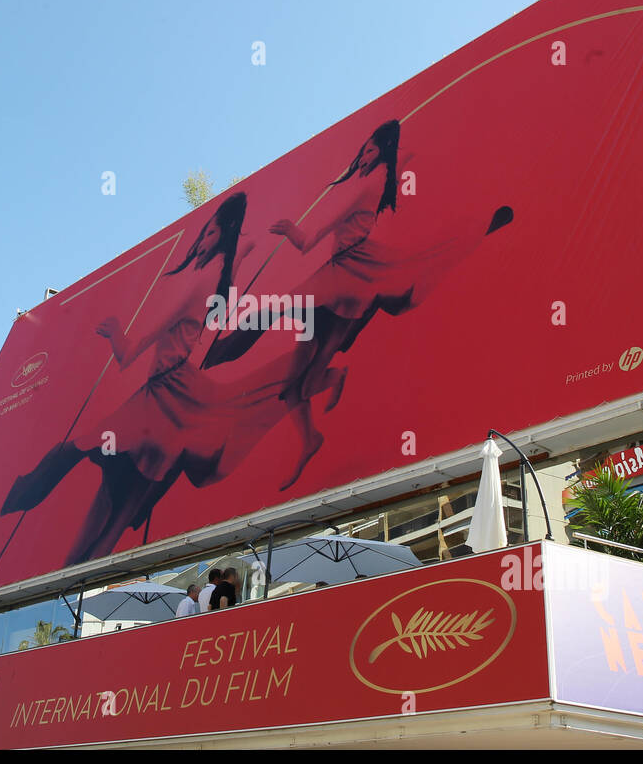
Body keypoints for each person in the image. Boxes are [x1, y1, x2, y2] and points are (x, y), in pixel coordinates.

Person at [205, 119, 514, 492]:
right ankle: (313, 429)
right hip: (352, 286)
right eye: (363, 151)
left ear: (379, 153)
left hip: (341, 277)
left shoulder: (365, 187)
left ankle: (224, 349)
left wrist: (289, 231)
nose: (362, 157)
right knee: (294, 386)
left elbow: (307, 242)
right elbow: (400, 157)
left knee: (277, 309)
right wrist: (394, 152)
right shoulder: (382, 180)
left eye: (369, 150)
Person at [0, 194, 293, 566]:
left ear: (221, 236)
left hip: (159, 400)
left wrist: (114, 331)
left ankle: (21, 500)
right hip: (177, 399)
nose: (201, 242)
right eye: (202, 234)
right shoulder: (223, 280)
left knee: (76, 450)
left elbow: (129, 354)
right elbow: (245, 245)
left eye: (209, 234)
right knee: (117, 505)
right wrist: (233, 229)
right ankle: (71, 573)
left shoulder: (197, 286)